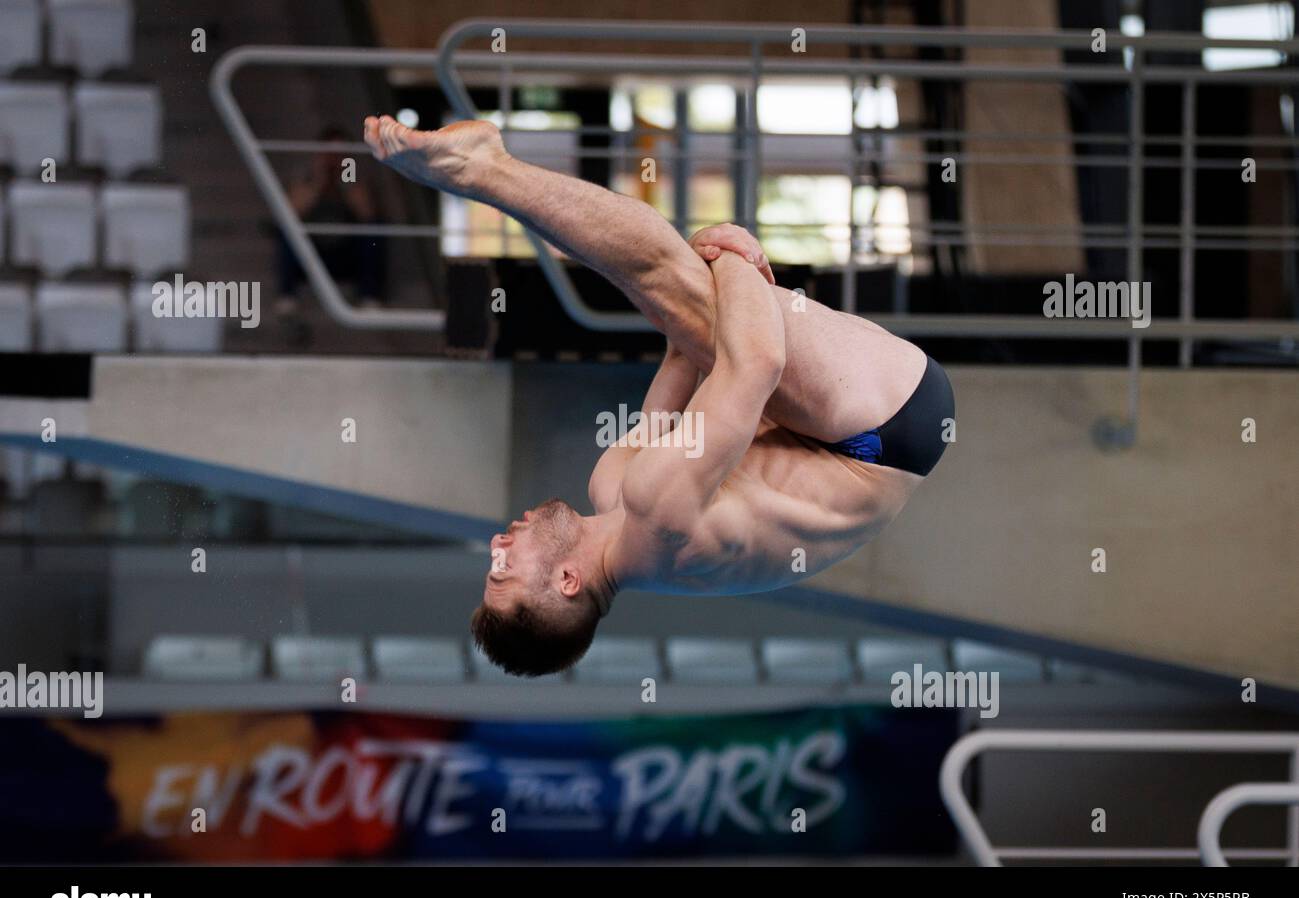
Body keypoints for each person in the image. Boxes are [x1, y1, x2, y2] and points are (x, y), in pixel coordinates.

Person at [363, 115, 954, 677]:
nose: (497, 544)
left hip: (827, 434)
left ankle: (485, 171)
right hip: (883, 431)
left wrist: (695, 282)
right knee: (668, 279)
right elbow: (756, 364)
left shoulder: (615, 492)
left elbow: (682, 351)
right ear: (567, 581)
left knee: (659, 286)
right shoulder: (659, 515)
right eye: (503, 569)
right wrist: (735, 255)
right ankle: (479, 171)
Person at [276, 126, 385, 315]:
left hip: (345, 253)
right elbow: (291, 212)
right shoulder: (304, 180)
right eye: (329, 153)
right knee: (286, 231)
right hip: (313, 252)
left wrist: (345, 179)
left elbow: (367, 214)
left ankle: (369, 295)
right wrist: (320, 181)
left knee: (374, 231)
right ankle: (287, 295)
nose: (334, 159)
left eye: (340, 153)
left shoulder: (356, 181)